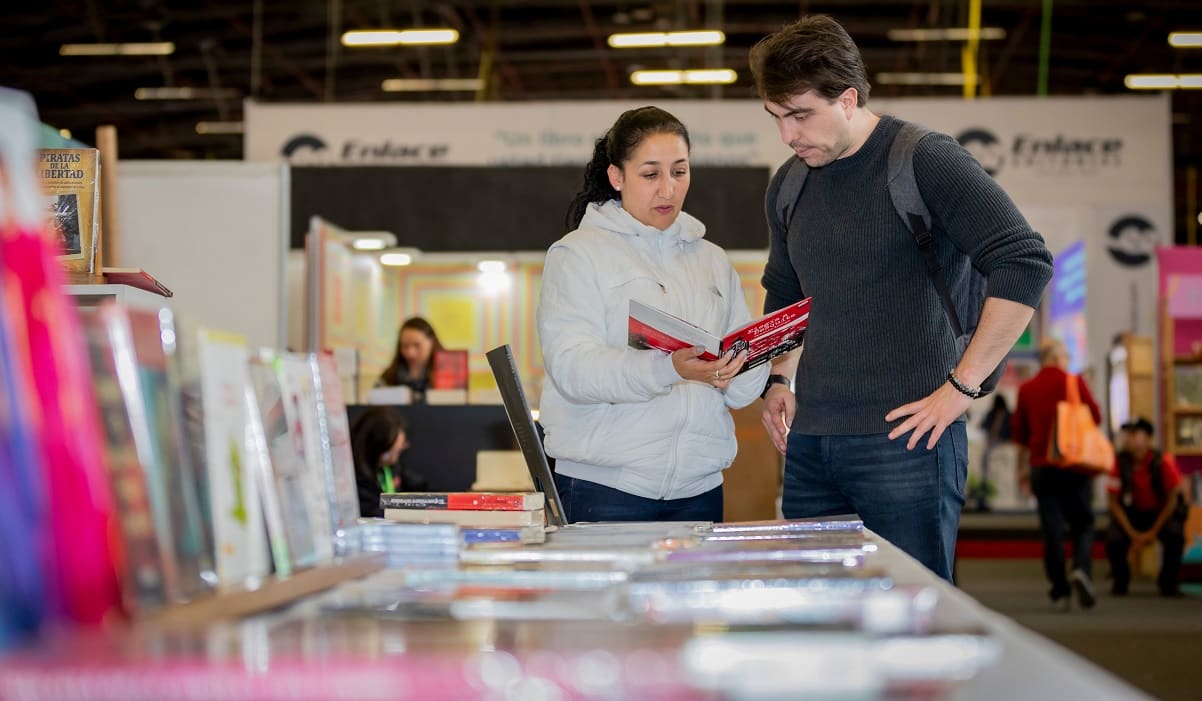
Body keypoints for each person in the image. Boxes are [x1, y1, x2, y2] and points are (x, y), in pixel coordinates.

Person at [750, 15, 1054, 582]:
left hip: (909, 440)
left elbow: (1023, 261)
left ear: (847, 99)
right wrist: (778, 380)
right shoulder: (789, 185)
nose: (788, 135)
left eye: (799, 115)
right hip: (812, 444)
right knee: (816, 618)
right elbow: (786, 292)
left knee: (913, 619)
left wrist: (961, 388)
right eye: (777, 117)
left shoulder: (924, 160)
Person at [537, 105, 768, 524]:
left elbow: (740, 393)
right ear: (616, 177)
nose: (668, 190)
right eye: (650, 174)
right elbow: (572, 369)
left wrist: (756, 358)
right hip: (605, 488)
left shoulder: (713, 260)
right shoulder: (577, 254)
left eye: (679, 172)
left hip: (700, 488)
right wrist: (668, 370)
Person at [1011, 339, 1101, 611]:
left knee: (1052, 528)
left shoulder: (1027, 389)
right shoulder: (1074, 382)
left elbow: (1020, 435)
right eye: (1065, 356)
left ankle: (1060, 589)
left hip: (1042, 467)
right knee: (1083, 523)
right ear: (1057, 358)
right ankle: (1082, 569)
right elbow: (1095, 417)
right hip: (1073, 465)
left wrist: (1022, 470)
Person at [1105, 417, 1187, 597]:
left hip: (1159, 514)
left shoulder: (1163, 462)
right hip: (1131, 515)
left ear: (1148, 438)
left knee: (1175, 534)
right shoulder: (1119, 463)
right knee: (1114, 538)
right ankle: (1120, 581)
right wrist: (1132, 532)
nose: (1129, 439)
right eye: (1127, 434)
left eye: (1135, 434)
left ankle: (1168, 582)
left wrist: (1153, 531)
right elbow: (1113, 502)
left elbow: (1173, 500)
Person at [350, 406, 426, 517]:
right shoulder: (357, 480)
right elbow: (373, 511)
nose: (395, 458)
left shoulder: (392, 467)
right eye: (392, 452)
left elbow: (420, 487)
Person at [376, 317, 442, 403]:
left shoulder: (447, 375)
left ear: (431, 342)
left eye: (417, 345)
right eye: (405, 346)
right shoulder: (389, 376)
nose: (410, 353)